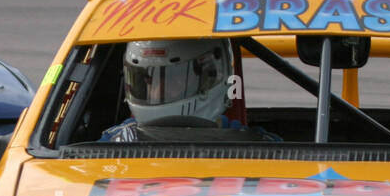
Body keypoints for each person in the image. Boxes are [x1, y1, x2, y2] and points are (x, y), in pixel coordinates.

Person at [101, 38, 278, 142]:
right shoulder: (114, 141)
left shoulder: (259, 145)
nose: (155, 92)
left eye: (172, 80)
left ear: (210, 78)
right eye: (147, 81)